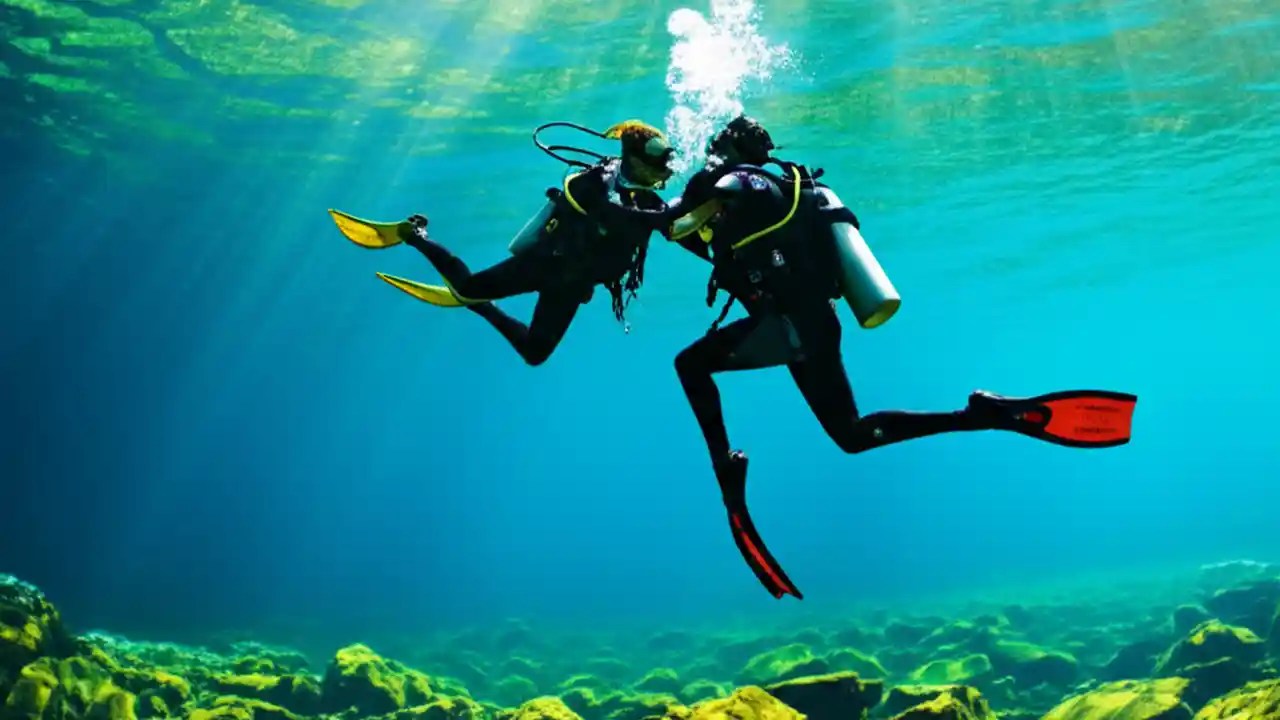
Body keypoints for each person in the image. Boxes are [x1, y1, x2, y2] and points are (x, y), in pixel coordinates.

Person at [664, 115, 1139, 600]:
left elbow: (728, 191)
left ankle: (724, 467)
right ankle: (979, 415)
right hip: (813, 328)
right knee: (850, 435)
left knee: (691, 364)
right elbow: (696, 237)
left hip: (788, 328)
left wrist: (703, 183)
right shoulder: (792, 190)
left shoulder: (746, 182)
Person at [329, 120, 675, 366]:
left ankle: (483, 306)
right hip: (546, 263)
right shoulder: (593, 182)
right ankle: (414, 235)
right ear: (633, 159)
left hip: (573, 284)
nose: (665, 176)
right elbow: (612, 215)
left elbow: (668, 224)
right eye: (657, 169)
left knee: (535, 354)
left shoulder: (645, 199)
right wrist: (660, 218)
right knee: (466, 287)